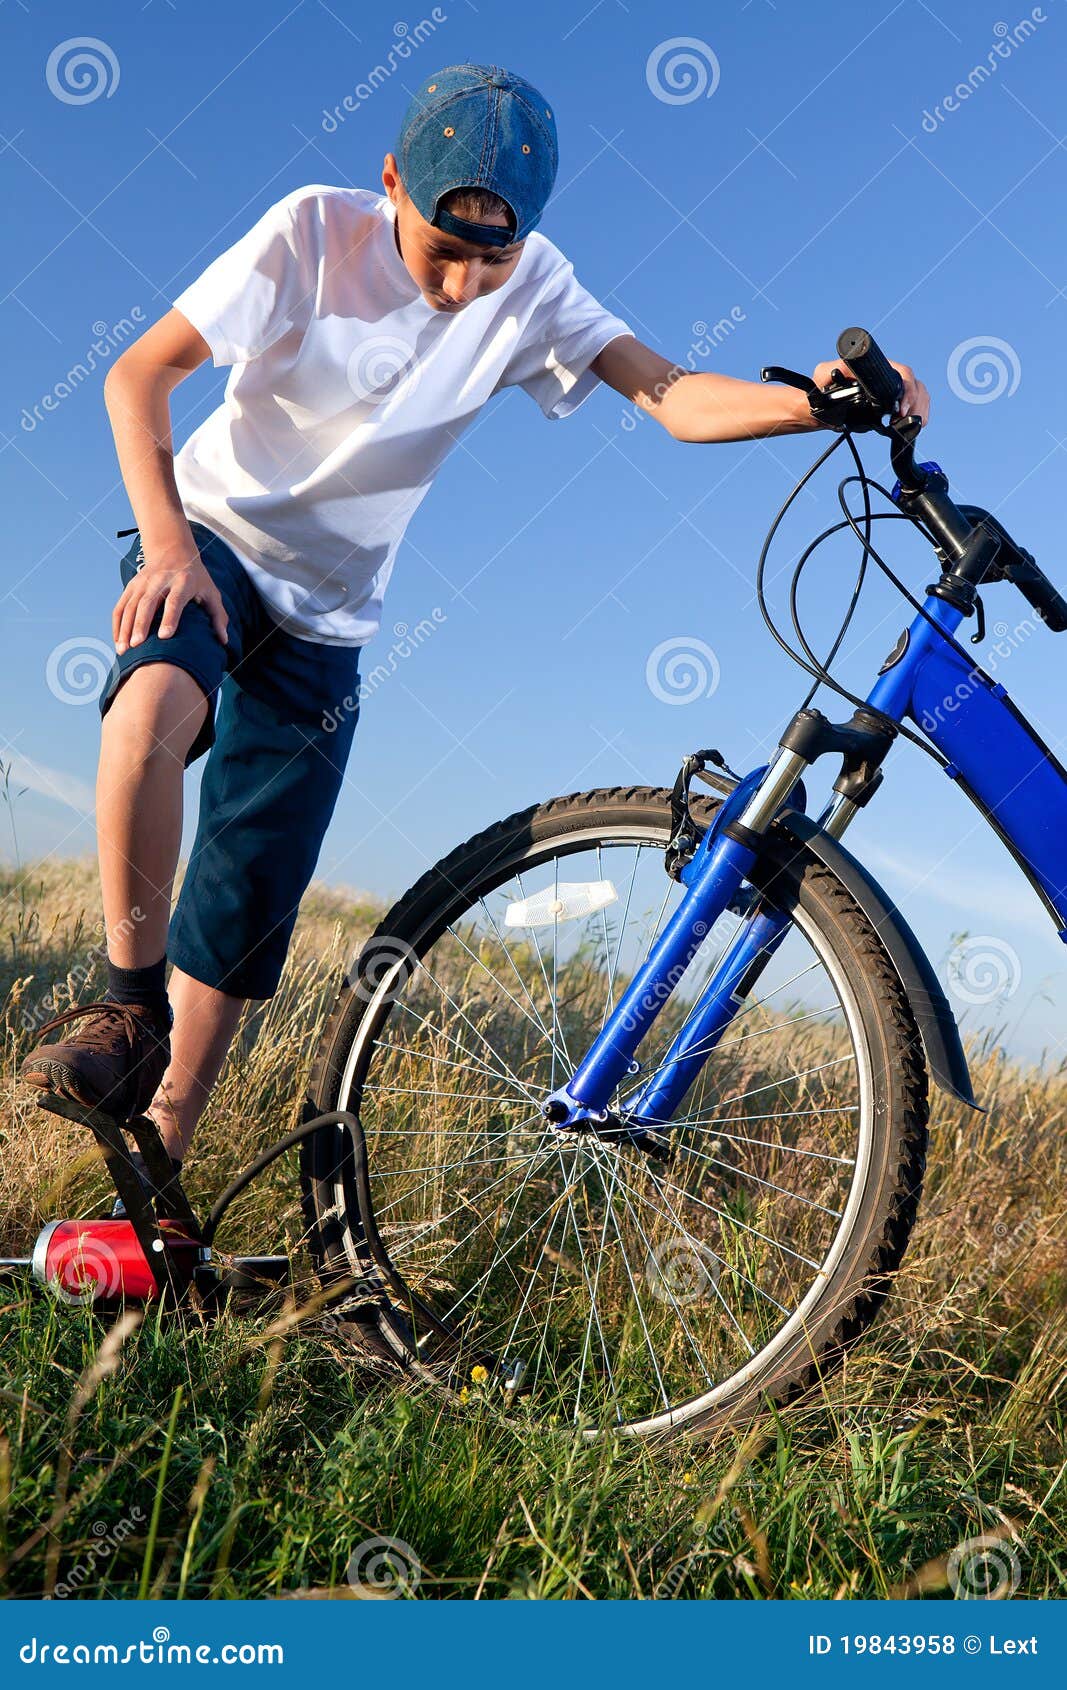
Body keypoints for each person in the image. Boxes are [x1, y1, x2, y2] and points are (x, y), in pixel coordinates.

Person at [19, 63, 929, 1209]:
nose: (463, 283)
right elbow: (136, 371)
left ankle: (156, 1185)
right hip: (210, 536)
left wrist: (817, 402)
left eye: (490, 259)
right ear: (392, 180)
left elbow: (670, 393)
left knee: (247, 901)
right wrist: (166, 547)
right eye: (442, 249)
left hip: (329, 618)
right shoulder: (311, 230)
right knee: (150, 711)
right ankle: (122, 1002)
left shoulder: (533, 285)